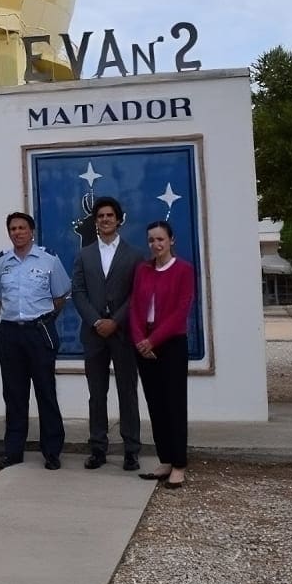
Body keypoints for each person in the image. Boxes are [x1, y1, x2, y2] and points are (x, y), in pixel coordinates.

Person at [0, 211, 70, 471]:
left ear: (32, 231)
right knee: (14, 394)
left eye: (22, 228)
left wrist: (40, 321)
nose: (17, 232)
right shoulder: (1, 263)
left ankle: (52, 451)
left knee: (46, 391)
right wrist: (16, 320)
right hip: (10, 333)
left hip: (39, 331)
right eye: (13, 228)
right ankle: (13, 451)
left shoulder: (49, 260)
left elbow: (59, 297)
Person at [70, 196, 144, 472]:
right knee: (96, 394)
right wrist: (96, 321)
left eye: (109, 215)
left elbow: (137, 294)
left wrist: (115, 321)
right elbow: (78, 291)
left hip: (123, 333)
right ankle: (98, 448)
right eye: (100, 216)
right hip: (93, 334)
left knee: (128, 392)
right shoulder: (84, 254)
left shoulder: (134, 255)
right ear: (95, 221)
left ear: (119, 219)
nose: (104, 220)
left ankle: (131, 450)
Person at [130, 220, 195, 490]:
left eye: (160, 239)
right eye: (151, 240)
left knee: (174, 405)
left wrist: (153, 340)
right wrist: (140, 342)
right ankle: (165, 459)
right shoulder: (143, 270)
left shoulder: (183, 270)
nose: (155, 245)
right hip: (145, 346)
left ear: (171, 240)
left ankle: (179, 464)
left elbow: (180, 312)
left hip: (171, 344)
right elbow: (134, 307)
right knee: (155, 405)